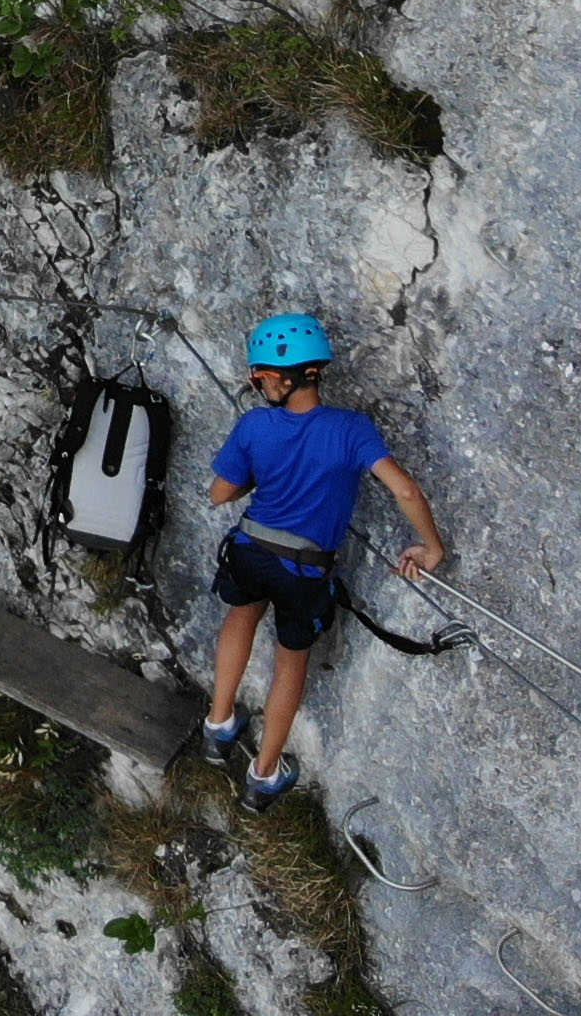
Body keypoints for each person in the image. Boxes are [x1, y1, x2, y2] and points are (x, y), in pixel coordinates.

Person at [200, 313, 449, 811]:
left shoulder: (254, 426)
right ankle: (263, 775)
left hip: (250, 550)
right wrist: (431, 546)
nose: (258, 385)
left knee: (241, 615)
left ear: (292, 376)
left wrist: (264, 478)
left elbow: (219, 493)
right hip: (304, 570)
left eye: (263, 376)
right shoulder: (352, 430)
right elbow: (404, 489)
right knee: (291, 660)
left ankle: (219, 725)